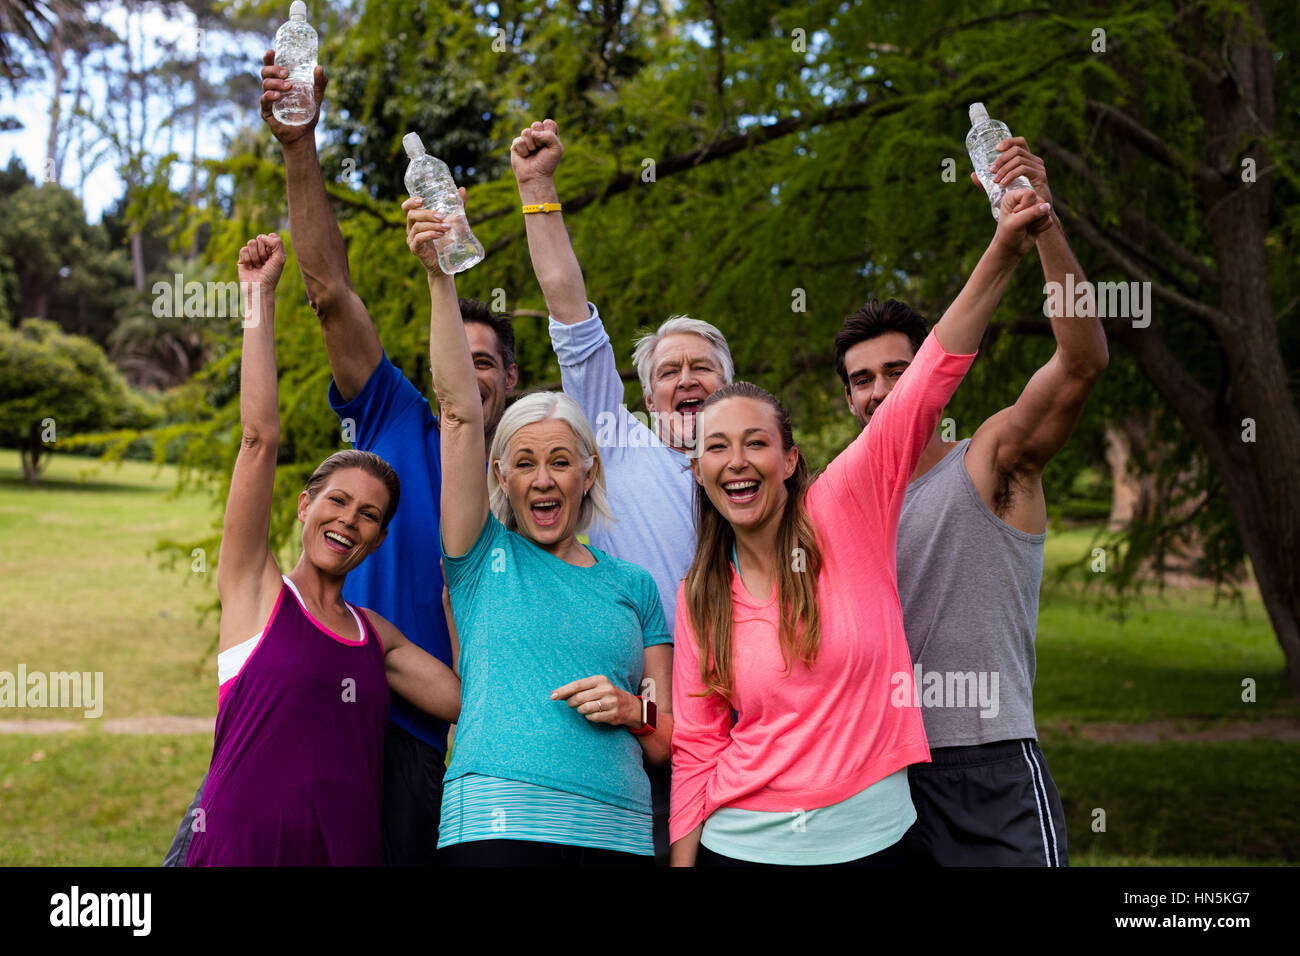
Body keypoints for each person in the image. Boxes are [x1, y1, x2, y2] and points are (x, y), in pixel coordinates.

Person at [162, 51, 518, 867]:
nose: (466, 368)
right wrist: (299, 145)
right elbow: (328, 292)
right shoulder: (395, 417)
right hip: (298, 709)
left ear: (507, 382)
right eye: (452, 352)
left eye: (486, 359)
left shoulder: (531, 491)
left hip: (418, 750)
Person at [669, 189, 1054, 867]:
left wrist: (1004, 249)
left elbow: (927, 379)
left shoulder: (844, 507)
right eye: (717, 448)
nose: (738, 462)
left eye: (756, 443)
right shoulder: (701, 591)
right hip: (740, 847)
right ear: (698, 471)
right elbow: (699, 745)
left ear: (790, 460)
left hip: (880, 840)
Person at [835, 140, 1107, 866]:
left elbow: (1082, 364)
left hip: (989, 765)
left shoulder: (990, 460)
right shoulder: (840, 501)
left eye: (899, 369)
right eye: (861, 380)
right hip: (882, 777)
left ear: (932, 373)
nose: (881, 391)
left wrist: (1043, 227)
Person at [404, 194, 673, 867]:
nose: (543, 479)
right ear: (502, 476)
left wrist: (630, 709)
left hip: (616, 834)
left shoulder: (633, 586)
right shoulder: (477, 558)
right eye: (525, 463)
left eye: (560, 462)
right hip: (494, 829)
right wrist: (441, 276)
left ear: (588, 473)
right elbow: (460, 413)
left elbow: (666, 737)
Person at [186, 234, 460, 866]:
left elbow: (464, 703)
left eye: (369, 515)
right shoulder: (256, 591)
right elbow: (258, 438)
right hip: (241, 850)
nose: (348, 521)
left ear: (379, 538)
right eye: (337, 502)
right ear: (306, 506)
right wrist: (258, 300)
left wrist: (458, 599)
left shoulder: (376, 638)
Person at [510, 117, 733, 856]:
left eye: (702, 368)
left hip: (732, 714)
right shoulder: (615, 435)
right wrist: (538, 190)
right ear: (641, 392)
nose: (686, 379)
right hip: (621, 711)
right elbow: (572, 316)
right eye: (667, 370)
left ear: (729, 387)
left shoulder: (750, 472)